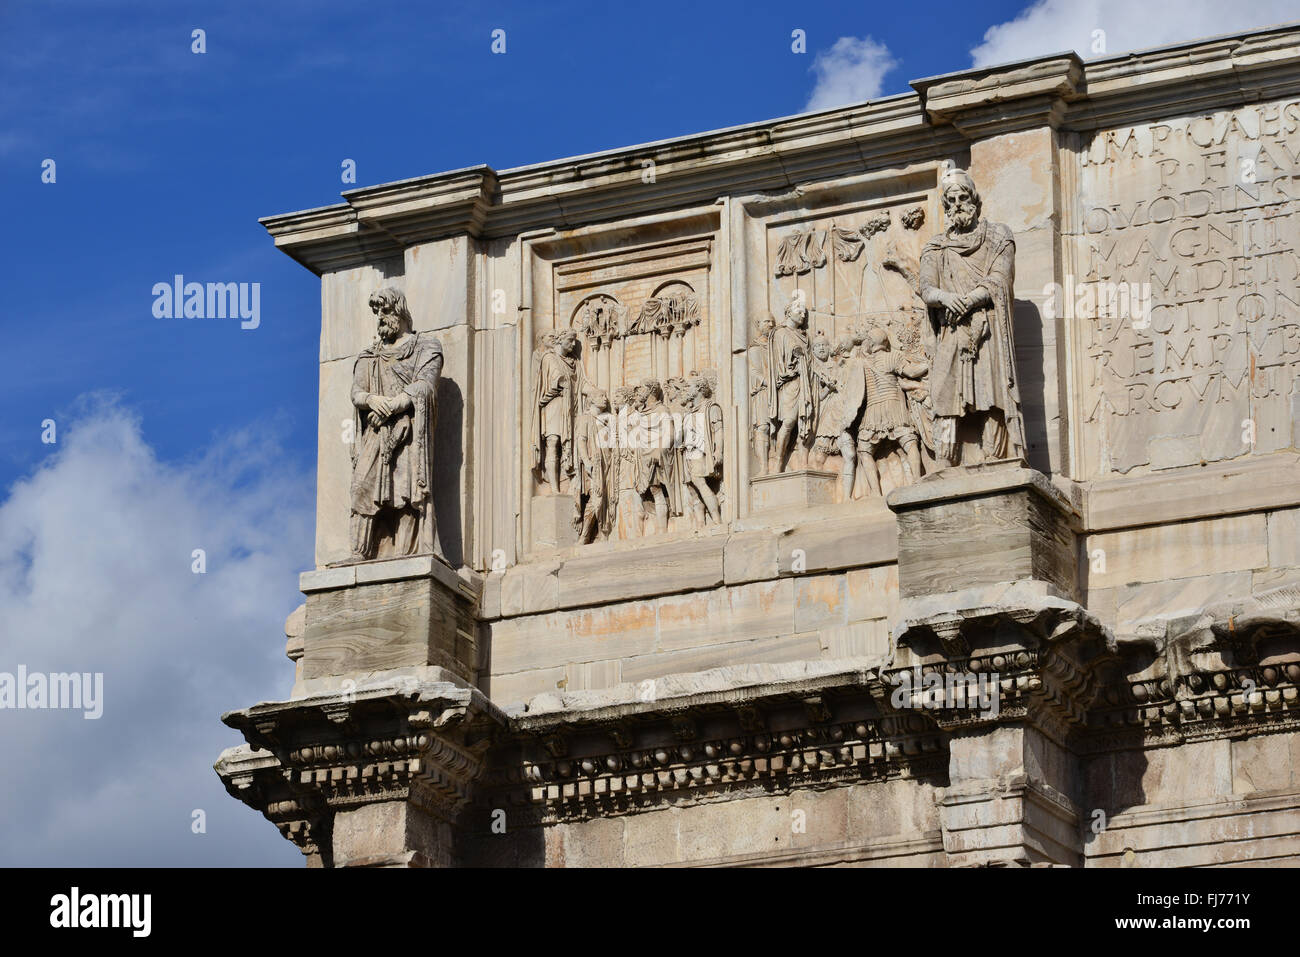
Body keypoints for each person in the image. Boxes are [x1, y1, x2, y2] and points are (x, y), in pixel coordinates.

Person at [919, 167, 1025, 465]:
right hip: (951, 328)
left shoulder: (998, 235)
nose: (956, 205)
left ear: (975, 200)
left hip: (987, 326)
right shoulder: (936, 247)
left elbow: (1000, 278)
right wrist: (947, 297)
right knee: (944, 394)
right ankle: (944, 464)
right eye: (950, 201)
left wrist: (969, 300)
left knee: (992, 392)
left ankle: (997, 458)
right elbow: (926, 287)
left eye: (962, 197)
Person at [349, 287, 442, 559]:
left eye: (385, 310)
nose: (380, 317)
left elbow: (426, 385)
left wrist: (393, 405)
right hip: (375, 433)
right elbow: (356, 393)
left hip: (408, 432)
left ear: (399, 311)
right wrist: (372, 400)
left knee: (405, 493)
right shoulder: (370, 355)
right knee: (360, 488)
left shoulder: (426, 346)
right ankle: (359, 554)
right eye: (376, 312)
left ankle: (406, 554)